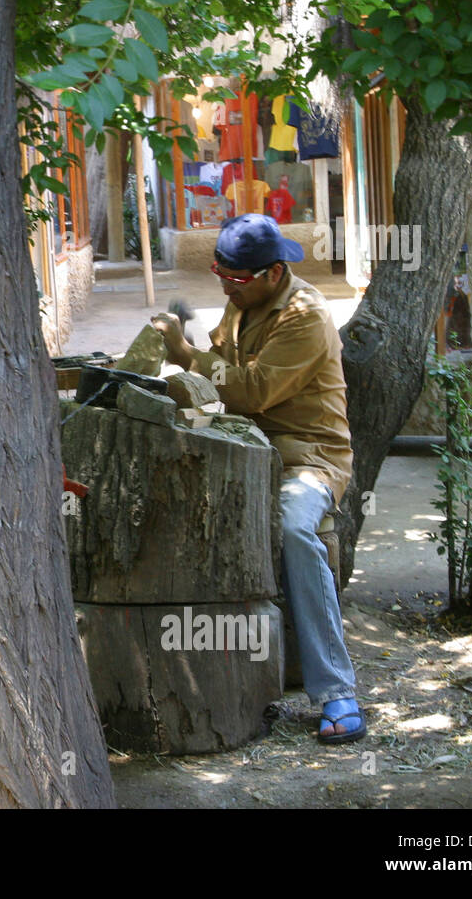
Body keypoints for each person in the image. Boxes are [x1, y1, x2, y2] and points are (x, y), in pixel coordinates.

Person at [151, 214, 366, 744]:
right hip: (250, 447)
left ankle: (336, 689)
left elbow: (251, 391)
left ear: (274, 272)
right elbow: (223, 366)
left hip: (308, 458)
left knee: (294, 529)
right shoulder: (242, 300)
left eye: (237, 279)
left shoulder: (306, 316)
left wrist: (185, 356)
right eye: (221, 274)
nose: (226, 285)